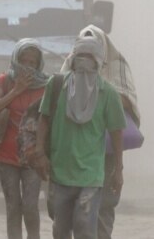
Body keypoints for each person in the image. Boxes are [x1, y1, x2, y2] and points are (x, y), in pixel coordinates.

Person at [34, 37, 125, 239]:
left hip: (91, 175)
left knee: (84, 227)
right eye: (80, 56)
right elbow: (44, 119)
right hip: (60, 172)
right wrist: (39, 152)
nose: (84, 62)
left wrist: (118, 169)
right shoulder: (56, 85)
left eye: (89, 57)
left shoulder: (108, 93)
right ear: (73, 60)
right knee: (60, 229)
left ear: (99, 62)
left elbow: (117, 132)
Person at [59, 25, 139, 239]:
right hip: (75, 154)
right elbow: (54, 109)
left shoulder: (116, 65)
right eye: (82, 52)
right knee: (72, 214)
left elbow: (128, 101)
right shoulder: (68, 69)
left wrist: (96, 92)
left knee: (103, 208)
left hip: (106, 153)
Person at [0, 39, 51, 239]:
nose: (27, 66)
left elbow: (50, 119)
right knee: (13, 206)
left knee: (30, 206)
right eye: (23, 61)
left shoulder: (46, 86)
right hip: (7, 155)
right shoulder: (5, 80)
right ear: (16, 60)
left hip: (33, 155)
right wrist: (16, 90)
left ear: (38, 64)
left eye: (32, 62)